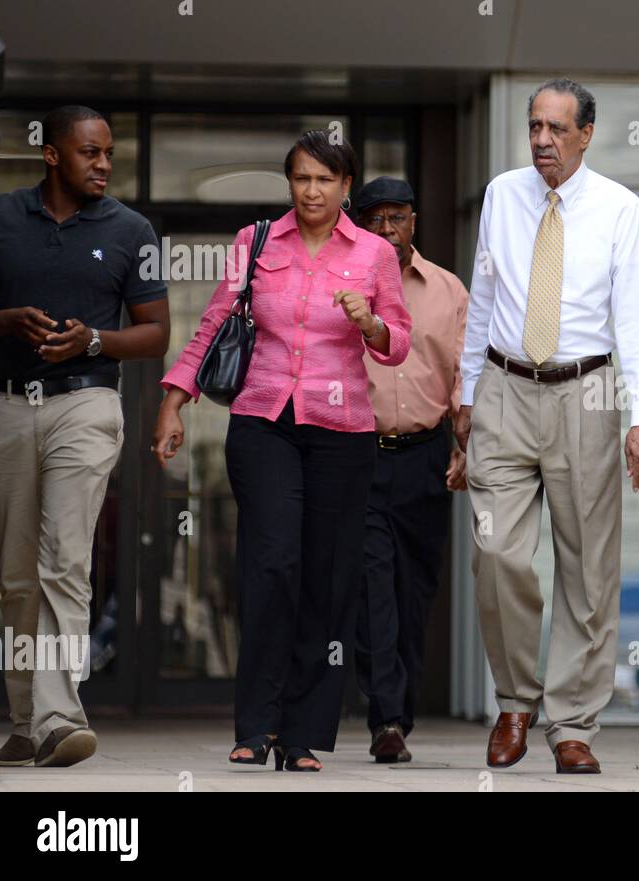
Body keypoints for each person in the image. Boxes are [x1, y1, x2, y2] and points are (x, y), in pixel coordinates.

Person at [152, 130, 411, 772]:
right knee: (270, 566)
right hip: (264, 421)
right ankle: (256, 725)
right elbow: (214, 323)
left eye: (326, 180)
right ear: (289, 183)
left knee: (326, 578)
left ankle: (302, 736)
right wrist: (173, 398)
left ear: (347, 187)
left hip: (342, 431)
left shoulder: (376, 253)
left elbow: (398, 342)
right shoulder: (256, 242)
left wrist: (371, 324)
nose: (313, 191)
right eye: (302, 179)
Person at [457, 78, 639, 774]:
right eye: (533, 125)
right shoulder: (501, 194)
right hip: (505, 387)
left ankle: (572, 721)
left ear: (586, 134)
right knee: (497, 553)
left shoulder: (619, 208)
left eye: (555, 128)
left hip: (588, 391)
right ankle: (516, 699)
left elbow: (633, 315)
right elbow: (484, 296)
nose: (541, 139)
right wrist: (465, 392)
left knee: (588, 569)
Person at [0, 105, 169, 768]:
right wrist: (3, 321)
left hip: (86, 402)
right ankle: (27, 721)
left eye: (109, 154)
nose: (103, 165)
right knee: (14, 576)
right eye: (90, 153)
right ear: (51, 154)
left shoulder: (132, 229)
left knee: (65, 558)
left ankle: (63, 714)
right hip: (5, 407)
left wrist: (93, 339)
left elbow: (155, 332)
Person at [352, 176, 469, 763]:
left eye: (397, 218)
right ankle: (387, 718)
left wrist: (463, 443)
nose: (386, 229)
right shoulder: (344, 285)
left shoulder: (447, 290)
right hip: (359, 455)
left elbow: (463, 376)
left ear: (414, 223)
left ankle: (400, 709)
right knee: (372, 588)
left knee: (414, 590)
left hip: (425, 454)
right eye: (375, 218)